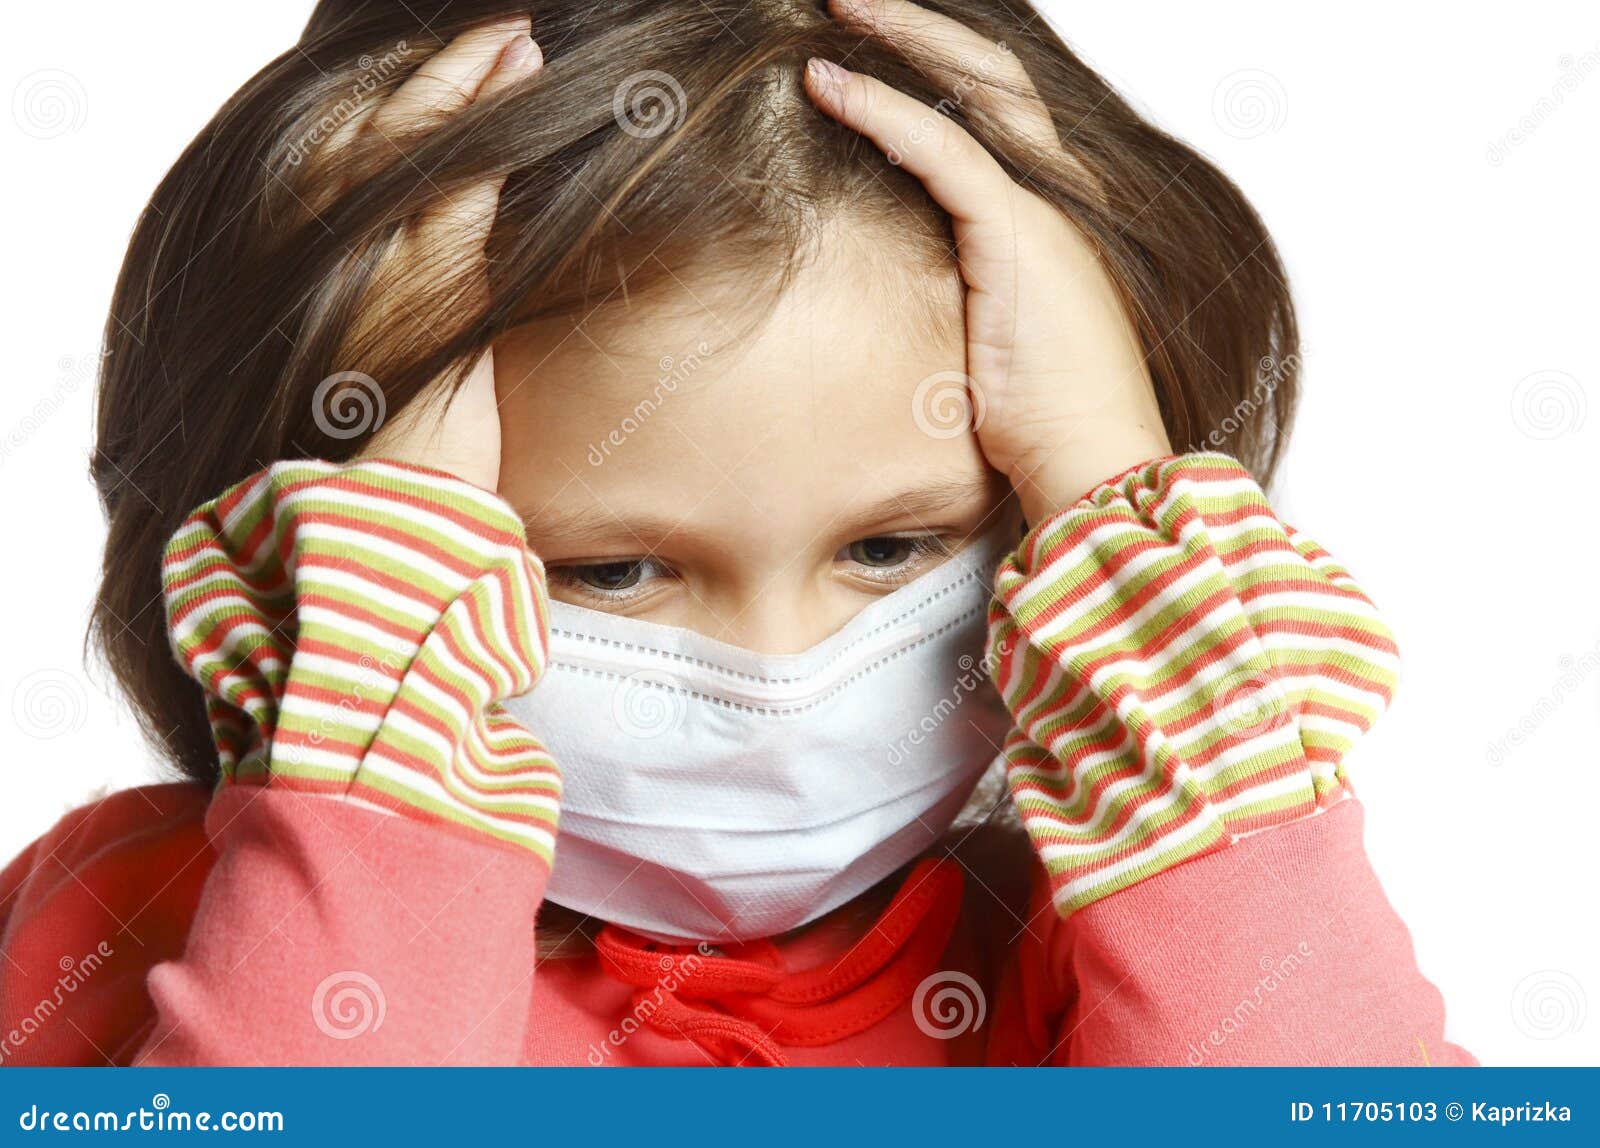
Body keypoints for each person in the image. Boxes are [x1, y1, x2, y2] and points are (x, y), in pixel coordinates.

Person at [0, 0, 1470, 1066]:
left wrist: (1117, 503)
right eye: (614, 567)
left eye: (892, 549)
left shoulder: (1109, 947)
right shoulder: (123, 923)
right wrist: (371, 775)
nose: (782, 676)